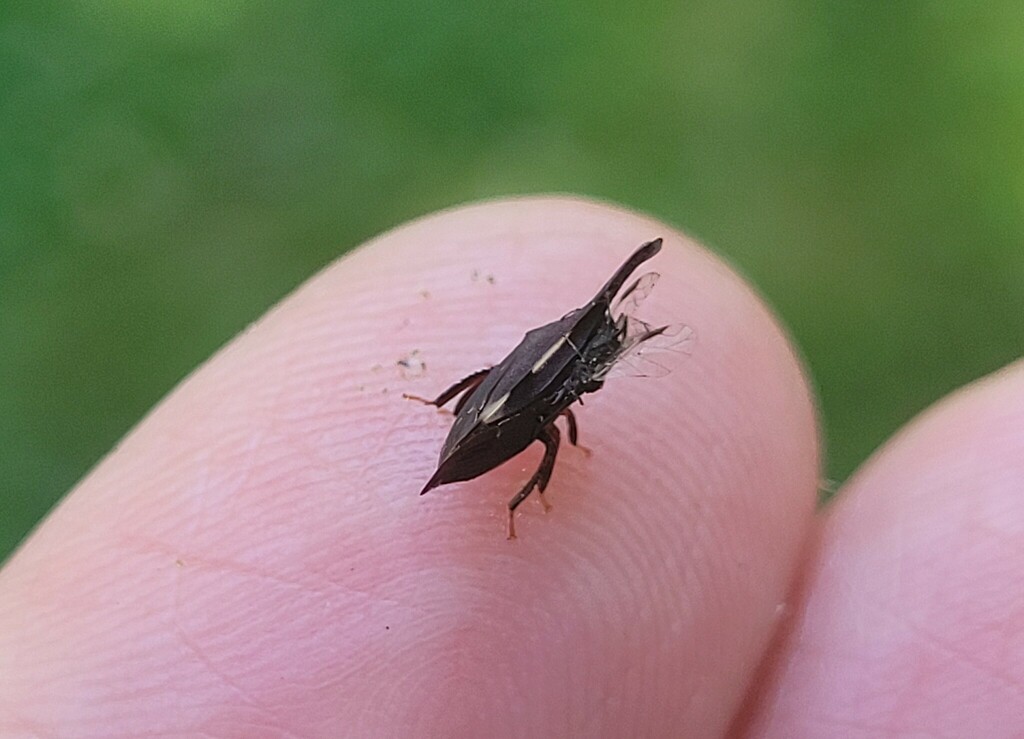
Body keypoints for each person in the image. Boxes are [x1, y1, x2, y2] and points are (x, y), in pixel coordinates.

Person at [1, 198, 1021, 736]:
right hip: (489, 424)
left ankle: (500, 482)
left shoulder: (554, 364)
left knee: (546, 436)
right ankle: (501, 486)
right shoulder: (551, 379)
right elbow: (541, 394)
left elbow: (540, 380)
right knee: (547, 439)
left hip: (492, 414)